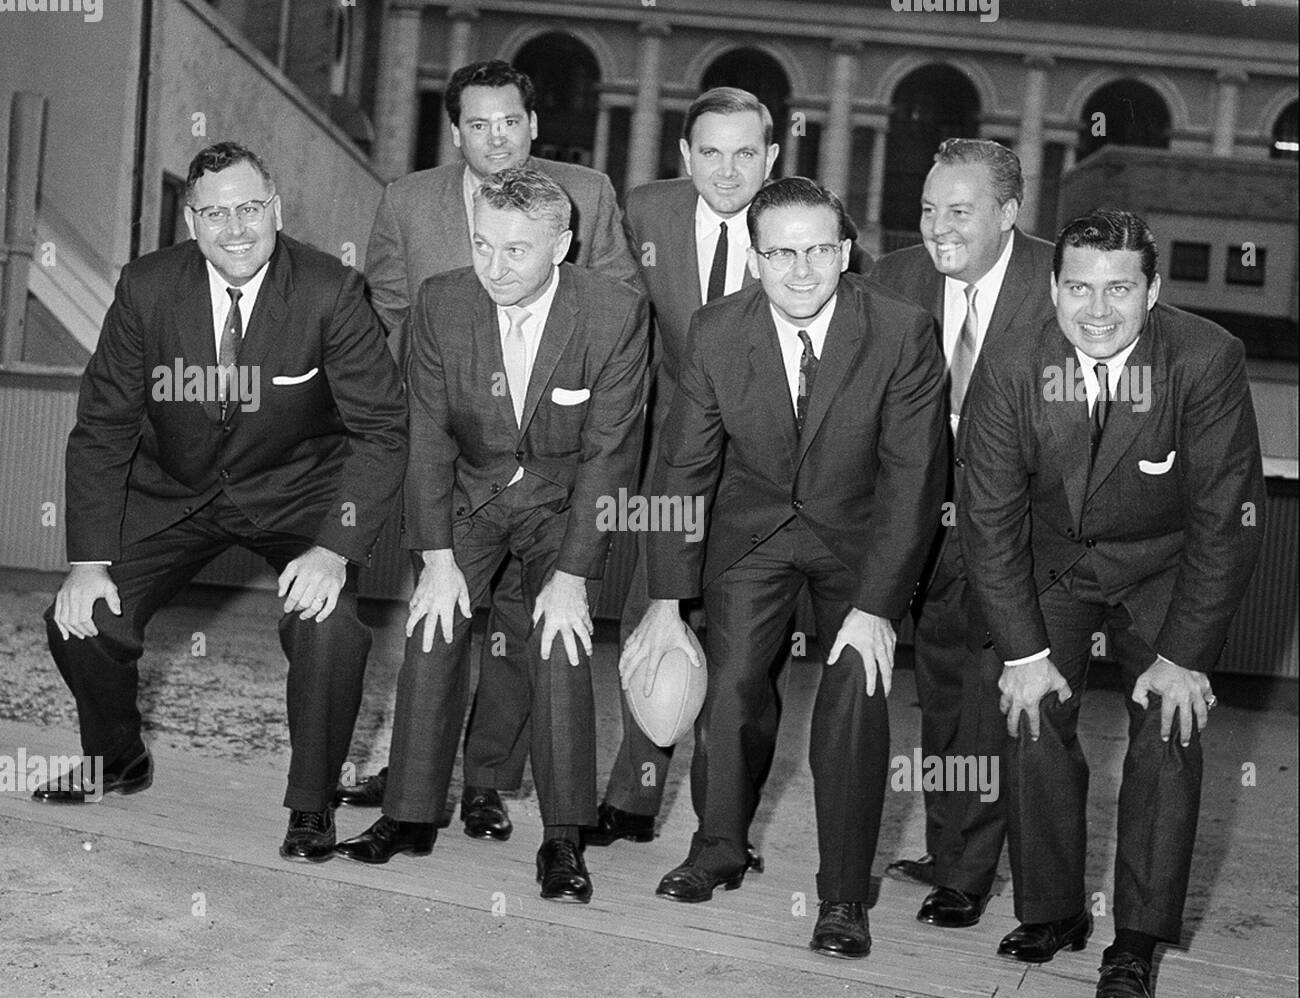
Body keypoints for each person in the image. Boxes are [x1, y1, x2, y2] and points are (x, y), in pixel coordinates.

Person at [37, 142, 407, 865]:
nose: (233, 228)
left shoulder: (332, 290)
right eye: (214, 212)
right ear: (190, 218)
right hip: (175, 492)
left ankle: (311, 802)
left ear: (275, 208)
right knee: (82, 620)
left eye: (247, 208)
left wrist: (335, 548)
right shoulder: (146, 288)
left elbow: (382, 431)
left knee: (329, 631)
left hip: (298, 496)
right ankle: (116, 757)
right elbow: (103, 428)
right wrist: (87, 562)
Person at [622, 177, 947, 957]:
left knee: (853, 701)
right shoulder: (714, 330)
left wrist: (876, 606)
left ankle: (843, 895)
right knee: (730, 689)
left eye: (819, 250)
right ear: (754, 257)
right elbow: (683, 472)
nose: (801, 270)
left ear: (845, 251)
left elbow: (915, 477)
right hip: (754, 536)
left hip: (858, 542)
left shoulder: (902, 331)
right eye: (781, 253)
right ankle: (718, 847)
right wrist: (667, 598)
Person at [960, 209, 1265, 998]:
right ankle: (1053, 908)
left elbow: (1225, 519)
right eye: (1080, 289)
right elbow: (987, 519)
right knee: (1029, 714)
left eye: (1120, 289)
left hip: (1167, 567)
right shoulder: (1013, 361)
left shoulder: (1204, 360)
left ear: (1153, 291)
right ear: (1053, 290)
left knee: (1170, 724)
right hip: (1054, 560)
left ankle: (1133, 944)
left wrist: (1186, 654)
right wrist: (1023, 654)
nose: (1098, 311)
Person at [340, 58, 640, 840]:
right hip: (459, 458)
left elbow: (609, 329)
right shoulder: (411, 210)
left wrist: (575, 568)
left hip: (557, 474)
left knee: (538, 638)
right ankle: (413, 797)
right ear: (457, 131)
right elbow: (390, 318)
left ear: (532, 123)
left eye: (510, 120)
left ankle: (500, 790)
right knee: (435, 621)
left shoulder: (589, 204)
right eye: (479, 123)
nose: (496, 136)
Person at [586, 86, 778, 856]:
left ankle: (723, 823)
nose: (726, 171)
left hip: (763, 469)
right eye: (709, 152)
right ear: (683, 156)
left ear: (769, 157)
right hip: (666, 458)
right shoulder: (647, 213)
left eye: (743, 154)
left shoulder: (806, 227)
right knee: (648, 615)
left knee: (742, 650)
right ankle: (632, 801)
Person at [872, 139, 1055, 929]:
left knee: (990, 704)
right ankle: (953, 853)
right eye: (927, 209)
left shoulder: (1061, 281)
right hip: (924, 532)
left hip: (1021, 533)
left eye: (959, 211)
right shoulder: (892, 276)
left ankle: (972, 875)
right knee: (944, 699)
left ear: (1009, 213)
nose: (938, 227)